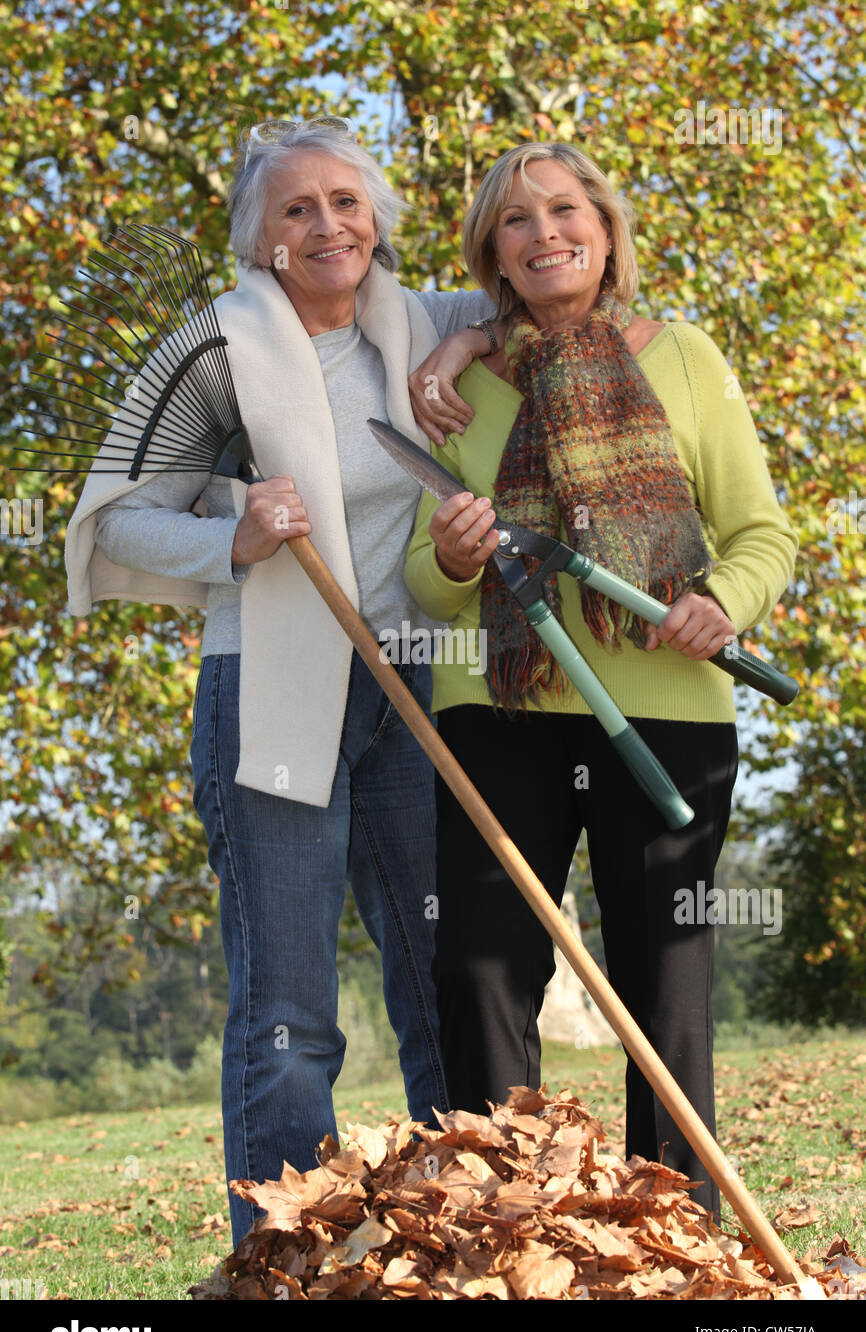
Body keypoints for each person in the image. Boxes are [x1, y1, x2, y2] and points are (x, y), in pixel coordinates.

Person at [63, 117, 497, 1247]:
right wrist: (237, 538)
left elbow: (524, 292)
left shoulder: (419, 322)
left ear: (375, 220)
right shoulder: (210, 352)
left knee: (440, 964)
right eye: (296, 208)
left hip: (407, 690)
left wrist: (450, 355)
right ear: (259, 236)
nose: (325, 225)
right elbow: (116, 518)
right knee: (292, 1002)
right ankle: (289, 1250)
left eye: (344, 202)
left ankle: (462, 1222)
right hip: (269, 692)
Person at [404, 142, 798, 1218]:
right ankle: (498, 1222)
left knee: (661, 979)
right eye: (515, 221)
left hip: (664, 705)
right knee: (480, 968)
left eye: (564, 210)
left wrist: (724, 601)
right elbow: (420, 584)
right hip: (498, 709)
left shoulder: (683, 356)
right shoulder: (463, 384)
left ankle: (670, 1233)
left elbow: (761, 531)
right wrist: (449, 555)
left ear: (607, 229)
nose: (544, 234)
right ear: (492, 251)